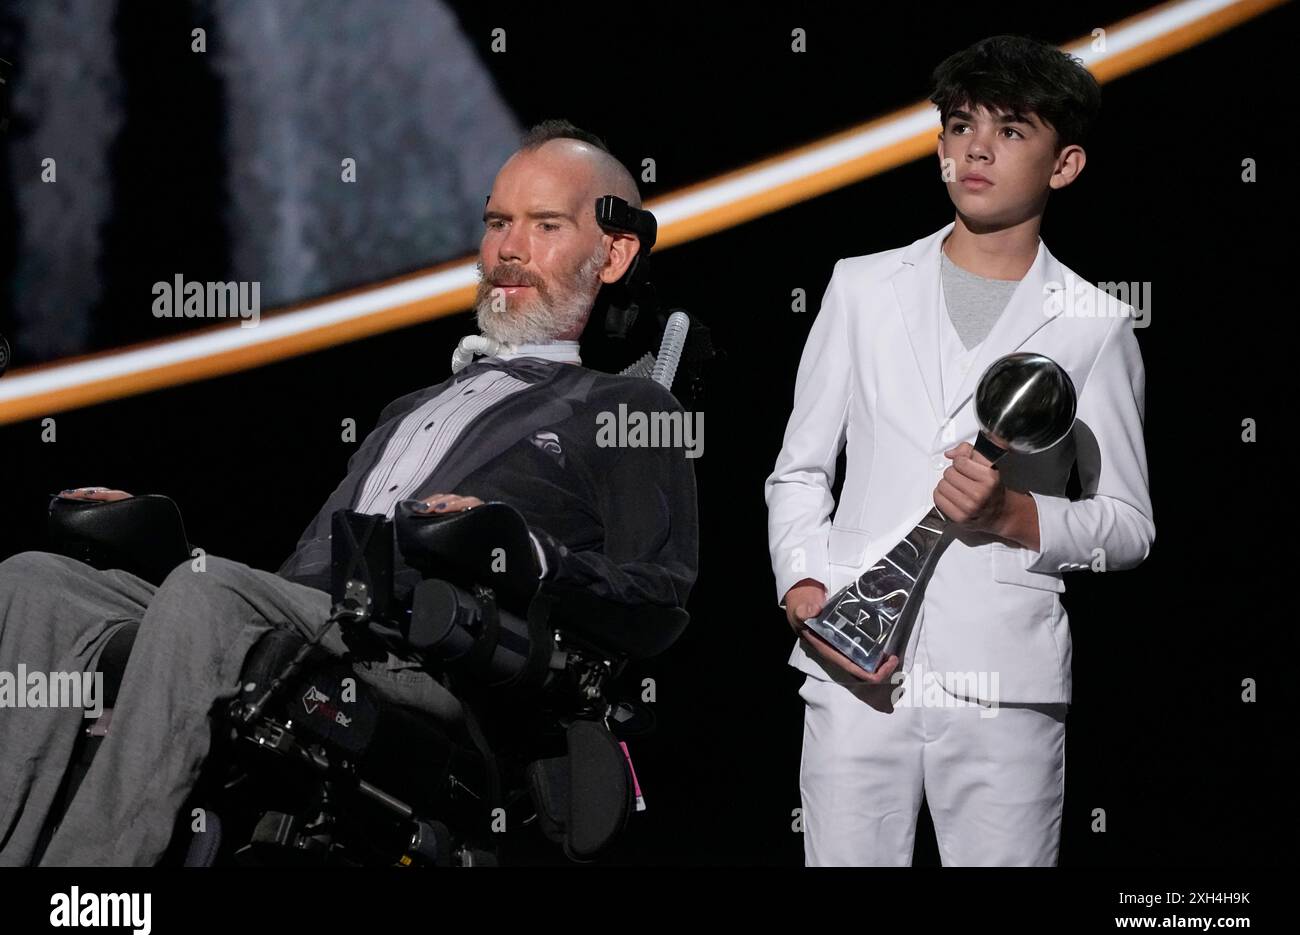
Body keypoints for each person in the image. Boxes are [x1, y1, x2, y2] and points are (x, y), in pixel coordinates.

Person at [0, 120, 698, 866]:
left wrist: (524, 552)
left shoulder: (624, 409)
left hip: (419, 654)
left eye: (545, 225)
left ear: (615, 252)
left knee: (210, 601)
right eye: (498, 223)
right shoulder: (414, 405)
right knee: (35, 583)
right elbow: (295, 584)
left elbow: (657, 600)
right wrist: (169, 552)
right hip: (316, 615)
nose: (508, 250)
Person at [765, 36, 1154, 866]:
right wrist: (805, 590)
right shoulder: (860, 285)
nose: (975, 147)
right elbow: (799, 470)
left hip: (1003, 683)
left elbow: (1128, 526)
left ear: (1066, 164)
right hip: (853, 666)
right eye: (959, 125)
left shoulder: (1096, 322)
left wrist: (1013, 515)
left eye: (1012, 130)